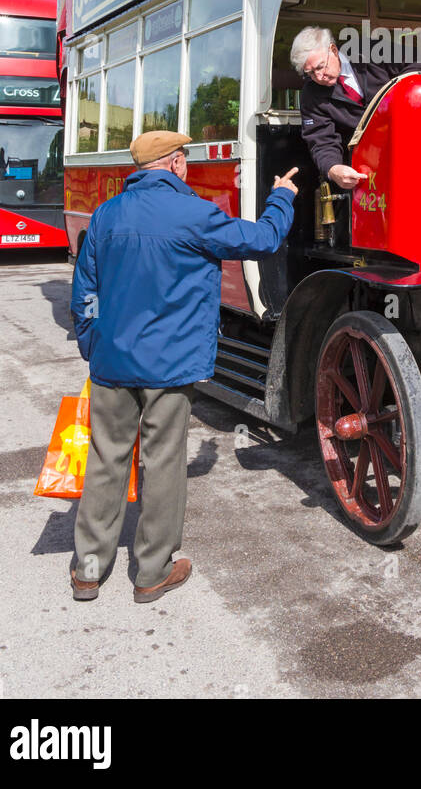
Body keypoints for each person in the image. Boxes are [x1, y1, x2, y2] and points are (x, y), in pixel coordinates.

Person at [69, 129, 298, 604]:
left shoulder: (107, 214)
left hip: (112, 361)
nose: (187, 167)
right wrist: (281, 195)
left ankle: (88, 569)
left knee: (106, 460)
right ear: (174, 163)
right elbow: (262, 239)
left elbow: (84, 289)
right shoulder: (193, 213)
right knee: (164, 463)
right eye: (186, 159)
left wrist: (93, 342)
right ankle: (152, 572)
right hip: (169, 367)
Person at [291, 25, 421, 189]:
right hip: (367, 167)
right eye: (309, 73)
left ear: (333, 49)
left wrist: (396, 104)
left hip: (412, 148)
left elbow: (415, 60)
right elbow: (321, 140)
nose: (318, 76)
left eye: (319, 67)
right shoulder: (311, 94)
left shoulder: (371, 50)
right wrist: (333, 168)